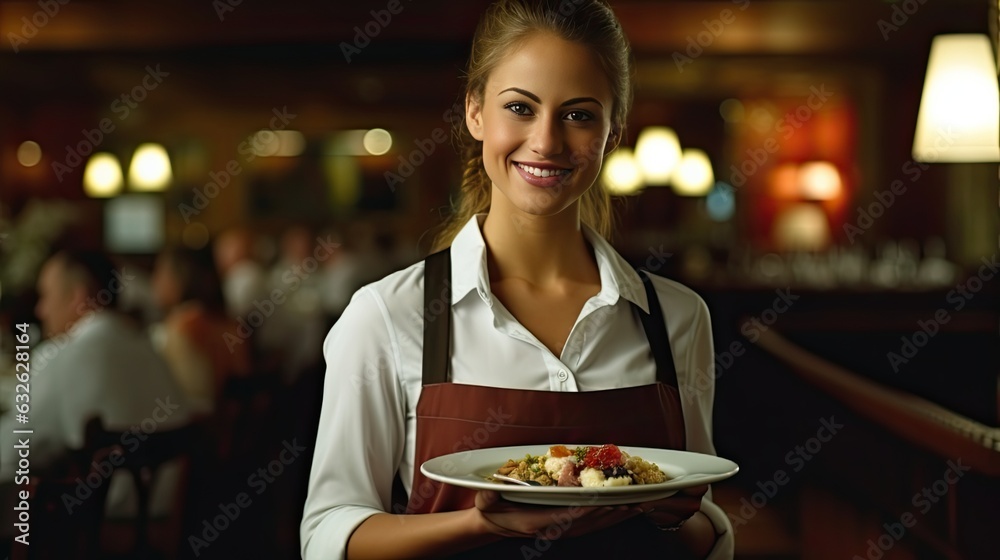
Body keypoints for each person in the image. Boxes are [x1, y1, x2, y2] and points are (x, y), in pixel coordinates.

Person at [301, 1, 734, 558]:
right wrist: (480, 527)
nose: (547, 141)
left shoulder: (677, 318)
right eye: (520, 108)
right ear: (475, 112)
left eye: (578, 115)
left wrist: (671, 516)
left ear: (614, 130)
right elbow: (330, 533)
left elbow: (700, 522)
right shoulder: (386, 316)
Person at [0, 248, 193, 516]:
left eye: (46, 295)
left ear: (78, 297)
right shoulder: (146, 346)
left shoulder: (62, 355)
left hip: (97, 527)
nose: (40, 310)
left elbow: (12, 452)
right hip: (165, 515)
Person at [150, 246, 251, 413]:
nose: (155, 281)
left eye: (160, 272)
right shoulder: (228, 321)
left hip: (203, 430)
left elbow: (194, 400)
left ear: (181, 278)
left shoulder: (182, 326)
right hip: (234, 429)